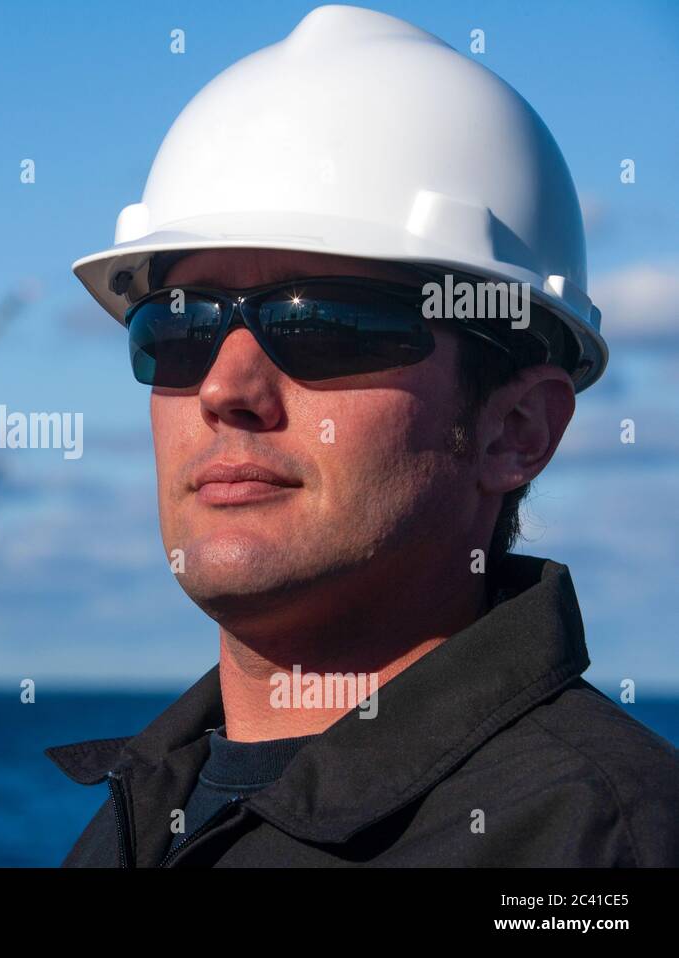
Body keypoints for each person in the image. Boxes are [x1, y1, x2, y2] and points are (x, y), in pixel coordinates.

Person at [45, 5, 679, 867]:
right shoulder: (143, 813)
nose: (227, 389)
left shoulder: (594, 847)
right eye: (181, 326)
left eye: (324, 325)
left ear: (516, 430)